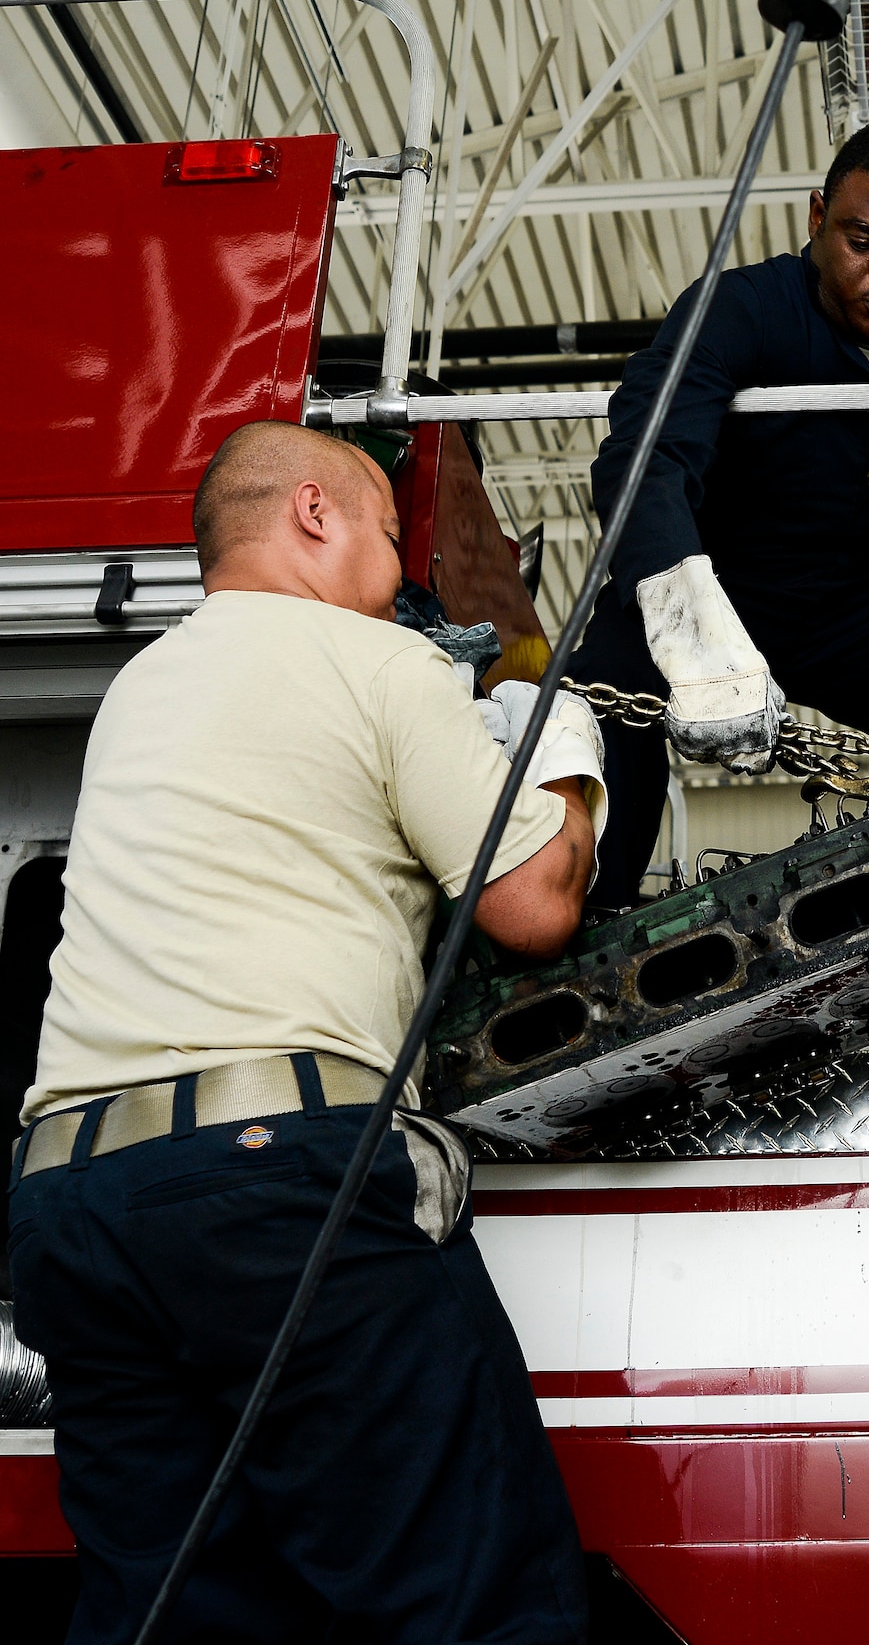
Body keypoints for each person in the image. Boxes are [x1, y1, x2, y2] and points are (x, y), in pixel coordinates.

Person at [8, 421, 606, 1644]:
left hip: (71, 1210)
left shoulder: (141, 690)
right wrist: (566, 757)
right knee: (473, 1601)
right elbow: (535, 905)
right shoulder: (375, 660)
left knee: (177, 1619)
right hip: (271, 1187)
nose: (399, 578)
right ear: (316, 514)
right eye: (389, 535)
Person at [570, 120, 869, 905]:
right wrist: (690, 631)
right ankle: (585, 923)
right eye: (864, 240)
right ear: (818, 217)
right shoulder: (740, 309)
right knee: (593, 702)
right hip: (724, 583)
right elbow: (648, 460)